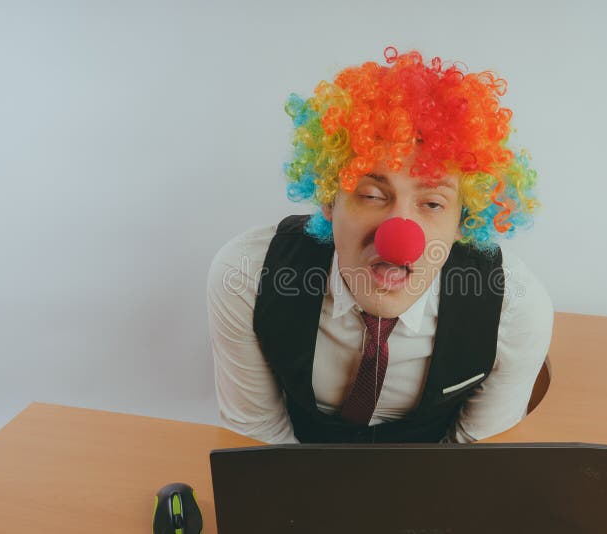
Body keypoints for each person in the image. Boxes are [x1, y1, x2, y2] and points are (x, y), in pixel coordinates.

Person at [206, 47, 554, 444]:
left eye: (433, 203)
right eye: (371, 195)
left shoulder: (514, 309)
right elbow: (256, 437)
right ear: (328, 199)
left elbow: (476, 459)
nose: (398, 234)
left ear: (464, 221)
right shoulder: (246, 275)